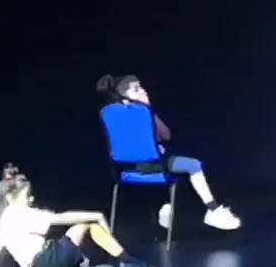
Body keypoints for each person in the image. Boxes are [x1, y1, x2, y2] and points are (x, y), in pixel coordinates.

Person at [0, 169, 148, 267]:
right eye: (26, 197)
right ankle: (127, 260)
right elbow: (60, 218)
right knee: (84, 227)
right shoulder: (23, 213)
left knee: (63, 242)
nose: (31, 200)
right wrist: (94, 215)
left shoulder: (4, 221)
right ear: (11, 198)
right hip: (50, 259)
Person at [95, 73, 242, 231]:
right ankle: (212, 209)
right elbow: (166, 135)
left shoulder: (106, 113)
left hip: (124, 172)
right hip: (155, 168)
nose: (143, 91)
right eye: (136, 89)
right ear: (124, 96)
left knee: (176, 164)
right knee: (194, 165)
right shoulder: (143, 112)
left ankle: (165, 207)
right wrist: (149, 110)